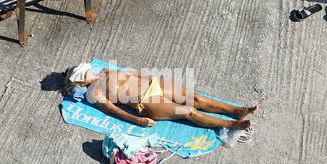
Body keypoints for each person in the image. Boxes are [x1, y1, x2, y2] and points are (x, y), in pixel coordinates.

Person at [63, 64, 256, 130]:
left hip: (154, 84)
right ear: (80, 84)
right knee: (189, 111)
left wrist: (152, 78)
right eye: (83, 76)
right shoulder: (93, 93)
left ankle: (236, 111)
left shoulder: (105, 70)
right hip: (145, 102)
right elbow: (112, 110)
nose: (87, 74)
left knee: (195, 98)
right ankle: (232, 125)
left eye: (85, 71)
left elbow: (132, 74)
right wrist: (137, 120)